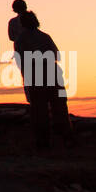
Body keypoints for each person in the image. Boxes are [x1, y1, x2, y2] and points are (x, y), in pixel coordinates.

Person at [13, 9, 73, 149]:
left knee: (39, 110)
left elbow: (21, 61)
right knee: (60, 108)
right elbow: (57, 55)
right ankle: (66, 138)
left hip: (35, 77)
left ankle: (43, 141)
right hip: (52, 75)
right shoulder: (45, 36)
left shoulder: (20, 40)